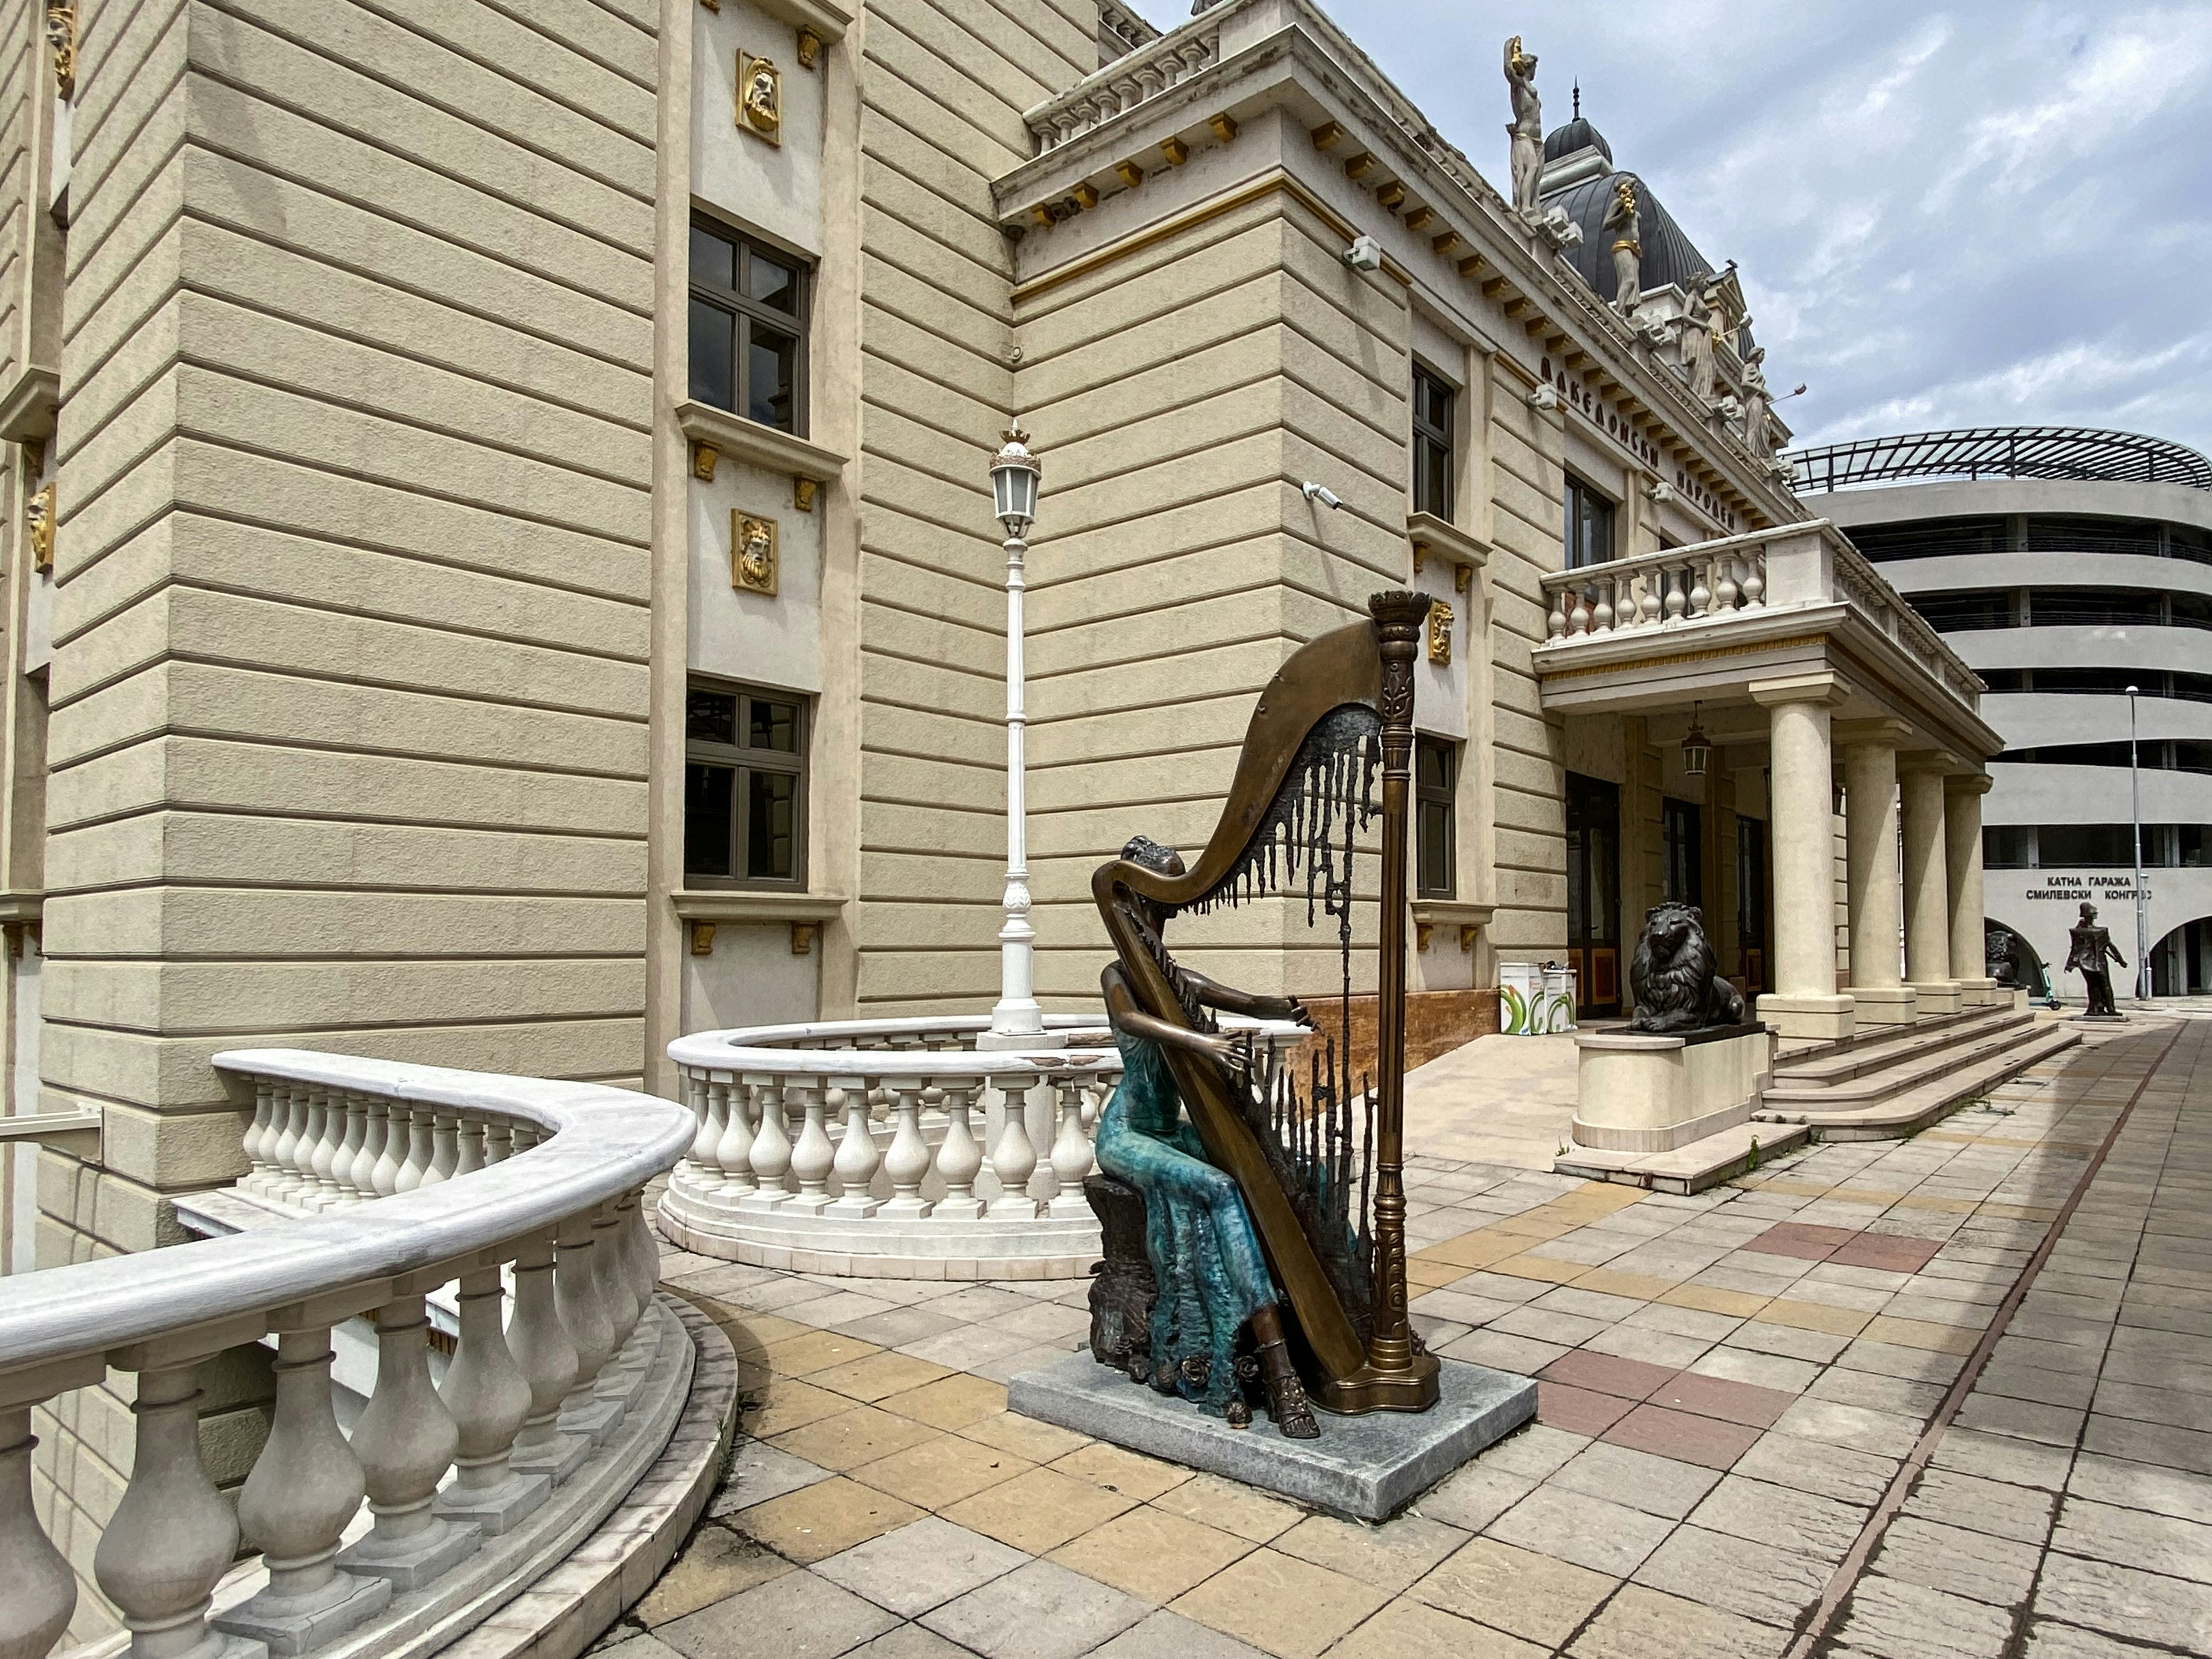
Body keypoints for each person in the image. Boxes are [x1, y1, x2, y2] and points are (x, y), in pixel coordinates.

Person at [1096, 836, 1320, 1437]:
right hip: (1129, 1135)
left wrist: (1281, 1008)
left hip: (1171, 1131)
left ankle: (1306, 1330)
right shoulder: (1120, 973)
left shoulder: (1171, 975)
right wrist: (1201, 1042)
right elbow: (1126, 1019)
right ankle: (1274, 1369)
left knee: (1268, 1173)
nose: (1166, 912)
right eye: (1160, 898)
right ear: (1136, 897)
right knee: (1221, 1189)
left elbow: (1238, 997)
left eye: (1173, 899)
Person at [2064, 901, 2127, 1017]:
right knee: (2105, 985)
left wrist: (2070, 964)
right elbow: (2111, 947)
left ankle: (2095, 1008)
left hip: (2085, 962)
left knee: (2092, 985)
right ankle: (2109, 1008)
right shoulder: (2101, 931)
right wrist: (2121, 960)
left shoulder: (2077, 932)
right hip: (2099, 962)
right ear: (2092, 915)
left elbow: (2075, 949)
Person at [1503, 37, 1542, 216]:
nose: (1535, 71)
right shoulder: (1519, 86)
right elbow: (1510, 72)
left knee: (1536, 178)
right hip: (1524, 136)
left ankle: (1533, 206)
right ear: (1528, 67)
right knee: (1531, 168)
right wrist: (1507, 51)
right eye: (1534, 67)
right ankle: (1525, 207)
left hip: (1537, 140)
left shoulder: (1529, 87)